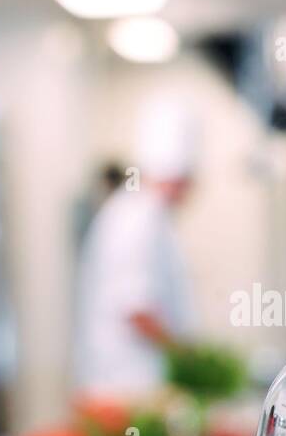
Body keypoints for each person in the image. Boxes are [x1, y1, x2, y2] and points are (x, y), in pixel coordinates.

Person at [73, 99, 198, 401]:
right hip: (127, 390)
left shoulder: (143, 214)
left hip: (134, 388)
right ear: (178, 179)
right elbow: (136, 307)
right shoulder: (139, 217)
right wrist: (189, 357)